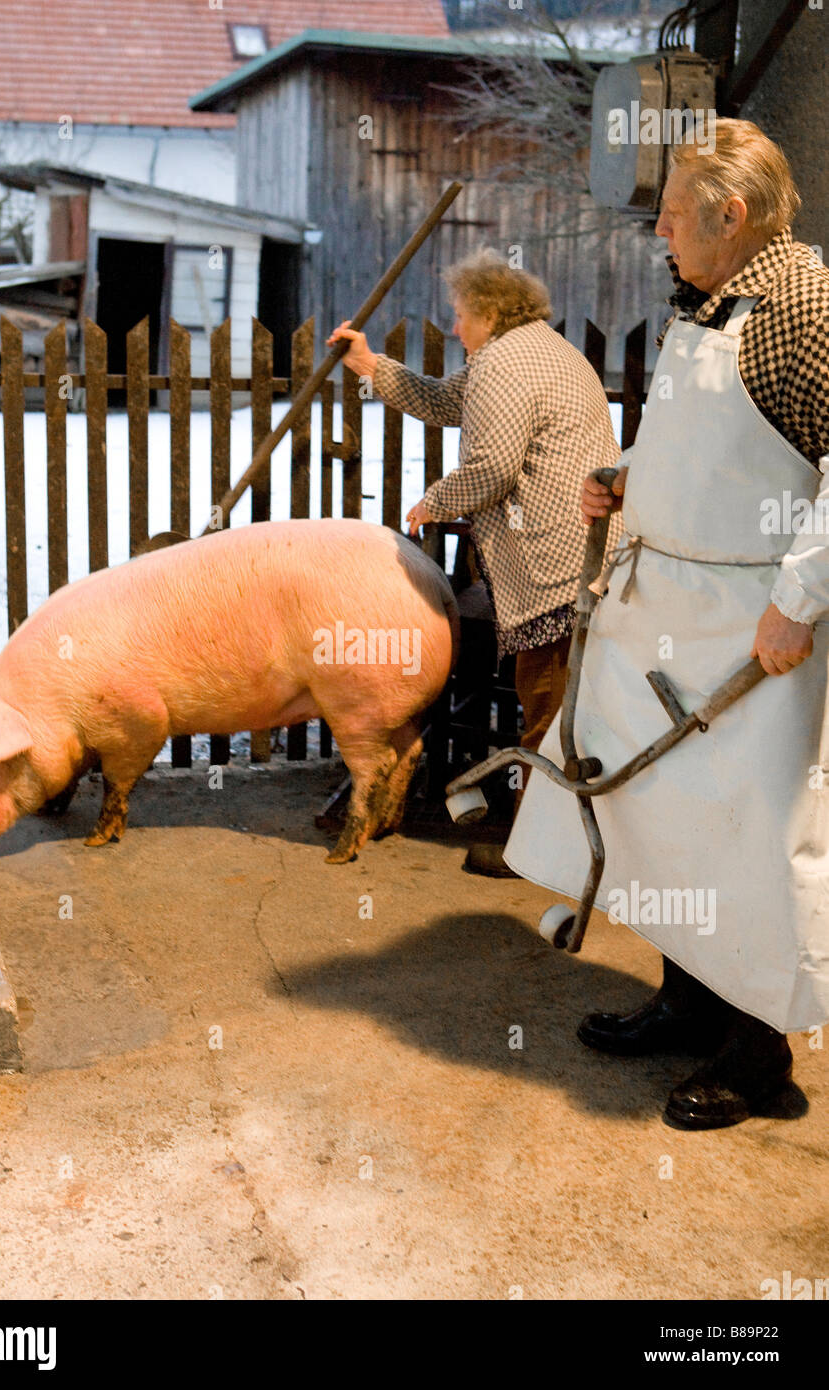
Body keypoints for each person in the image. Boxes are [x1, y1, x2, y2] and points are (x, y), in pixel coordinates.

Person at [504, 118, 829, 1129]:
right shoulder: (712, 299)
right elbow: (703, 448)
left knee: (744, 842)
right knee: (666, 825)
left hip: (751, 626)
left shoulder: (802, 309)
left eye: (675, 215)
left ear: (732, 216)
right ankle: (687, 1003)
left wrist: (796, 604)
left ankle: (754, 1053)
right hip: (666, 610)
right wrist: (624, 481)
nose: (661, 233)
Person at [328, 248, 620, 875]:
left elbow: (492, 466)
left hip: (555, 565)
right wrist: (370, 364)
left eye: (460, 315)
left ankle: (537, 851)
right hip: (586, 557)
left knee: (547, 702)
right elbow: (445, 401)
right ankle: (559, 838)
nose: (454, 328)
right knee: (568, 698)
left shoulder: (506, 367)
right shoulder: (536, 350)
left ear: (490, 313)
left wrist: (434, 502)